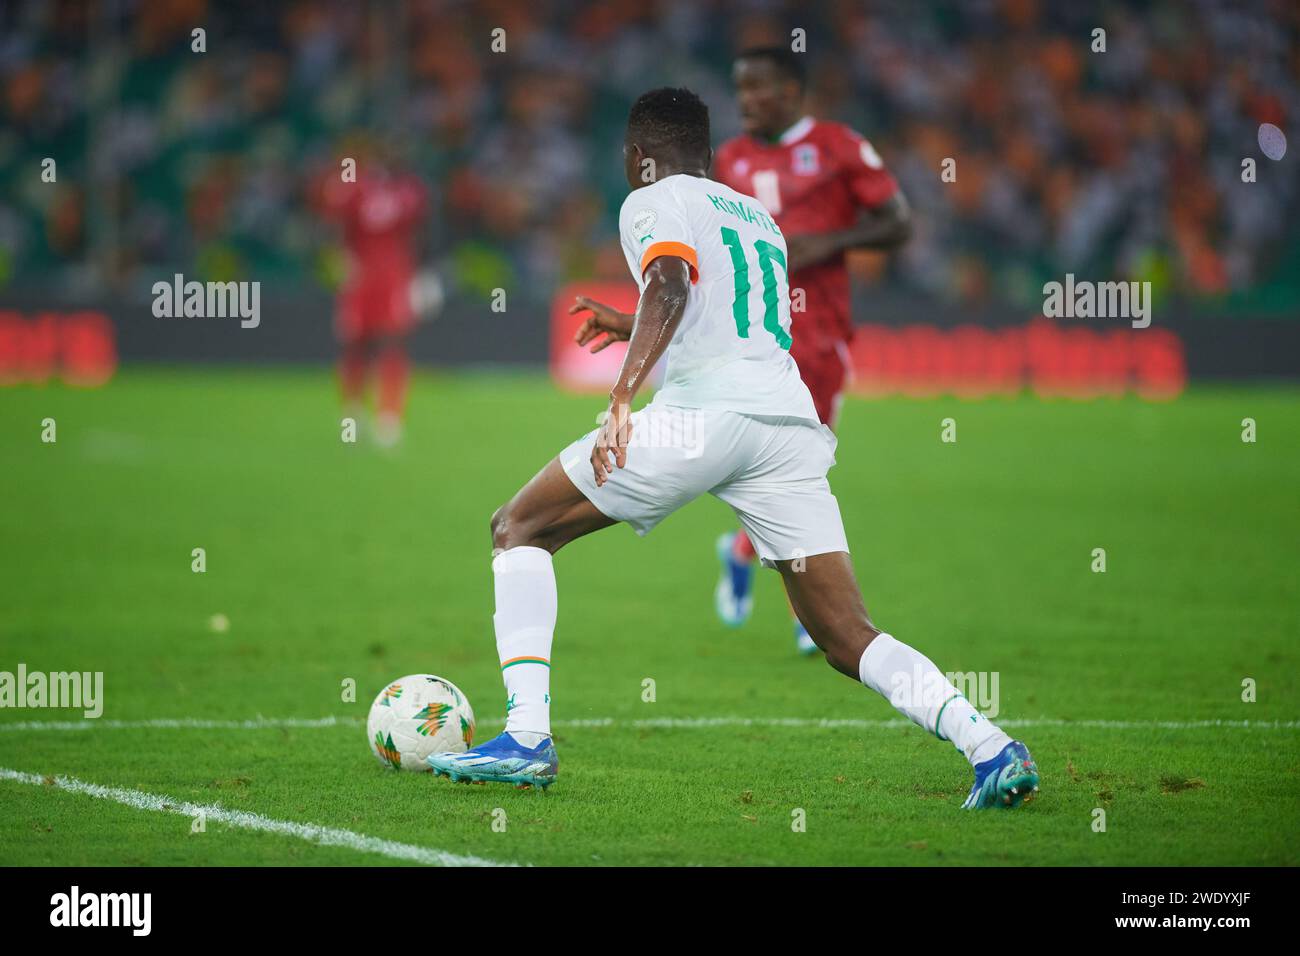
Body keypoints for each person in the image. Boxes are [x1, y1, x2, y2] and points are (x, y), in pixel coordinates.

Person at [427, 88, 1038, 810]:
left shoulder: (649, 199)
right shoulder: (757, 217)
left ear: (639, 157)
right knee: (846, 633)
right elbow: (721, 312)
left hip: (704, 420)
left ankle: (527, 739)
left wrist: (622, 396)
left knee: (518, 527)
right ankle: (991, 747)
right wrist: (633, 325)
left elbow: (670, 281)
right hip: (784, 427)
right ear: (710, 153)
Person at [713, 47, 911, 653]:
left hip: (821, 334)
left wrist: (828, 243)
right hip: (752, 334)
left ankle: (745, 551)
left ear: (793, 91)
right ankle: (812, 609)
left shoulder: (838, 146)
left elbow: (897, 223)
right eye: (741, 89)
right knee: (774, 465)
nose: (747, 101)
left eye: (759, 89)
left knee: (804, 465)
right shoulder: (729, 159)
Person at [316, 143, 428, 447]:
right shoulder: (353, 190)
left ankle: (388, 418)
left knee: (392, 341)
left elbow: (418, 232)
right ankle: (352, 415)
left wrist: (417, 274)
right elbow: (337, 228)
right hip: (363, 276)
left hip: (393, 275)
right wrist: (340, 260)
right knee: (357, 344)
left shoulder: (408, 192)